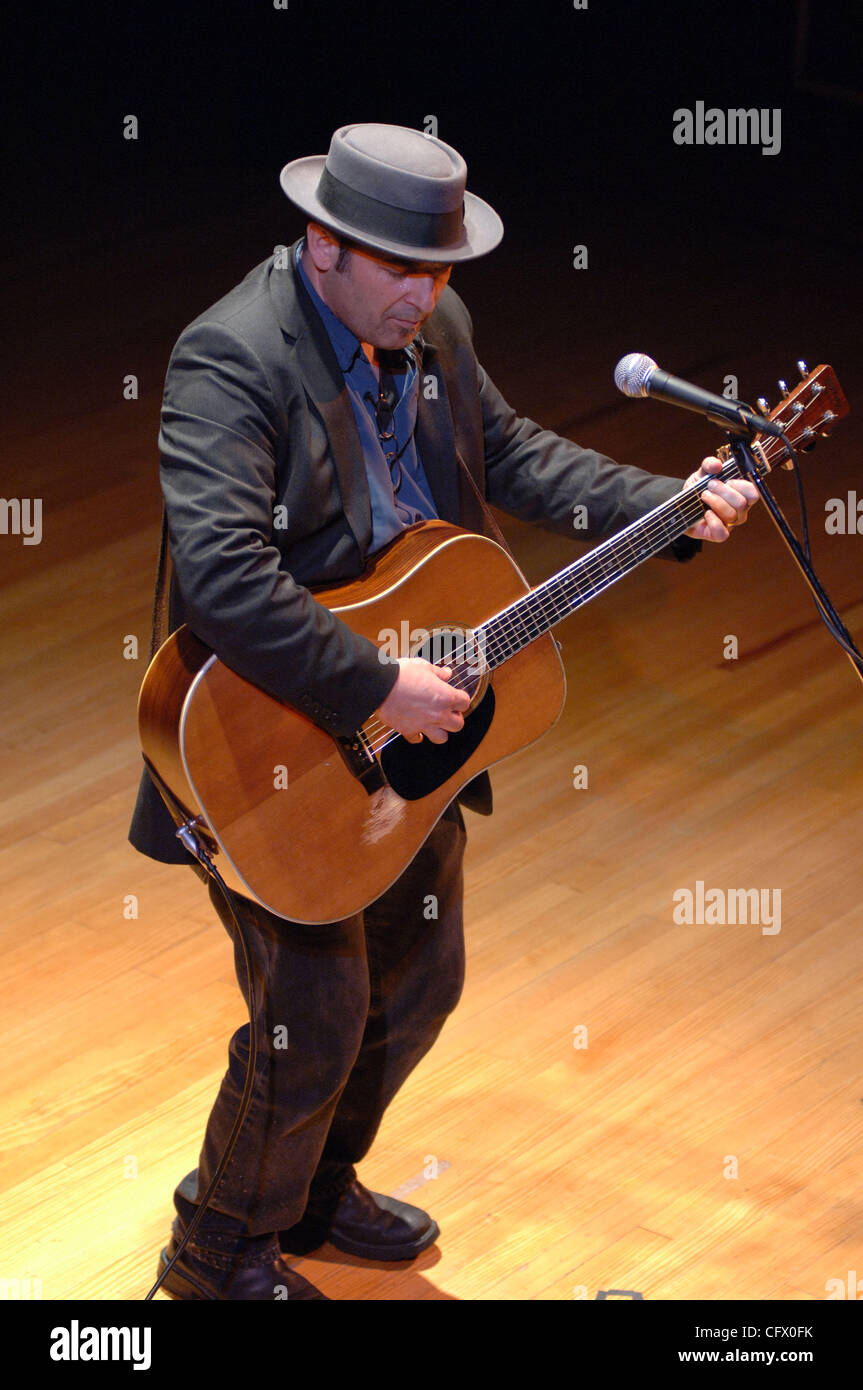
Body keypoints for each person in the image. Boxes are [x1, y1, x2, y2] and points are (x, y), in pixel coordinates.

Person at [129, 123, 758, 1301]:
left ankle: (308, 1188)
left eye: (442, 268)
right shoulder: (232, 357)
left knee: (417, 979)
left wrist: (660, 505)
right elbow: (221, 577)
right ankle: (217, 1247)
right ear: (322, 244)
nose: (427, 294)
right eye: (400, 269)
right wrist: (375, 685)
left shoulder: (434, 331)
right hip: (270, 741)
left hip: (410, 734)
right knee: (310, 1011)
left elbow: (508, 452)